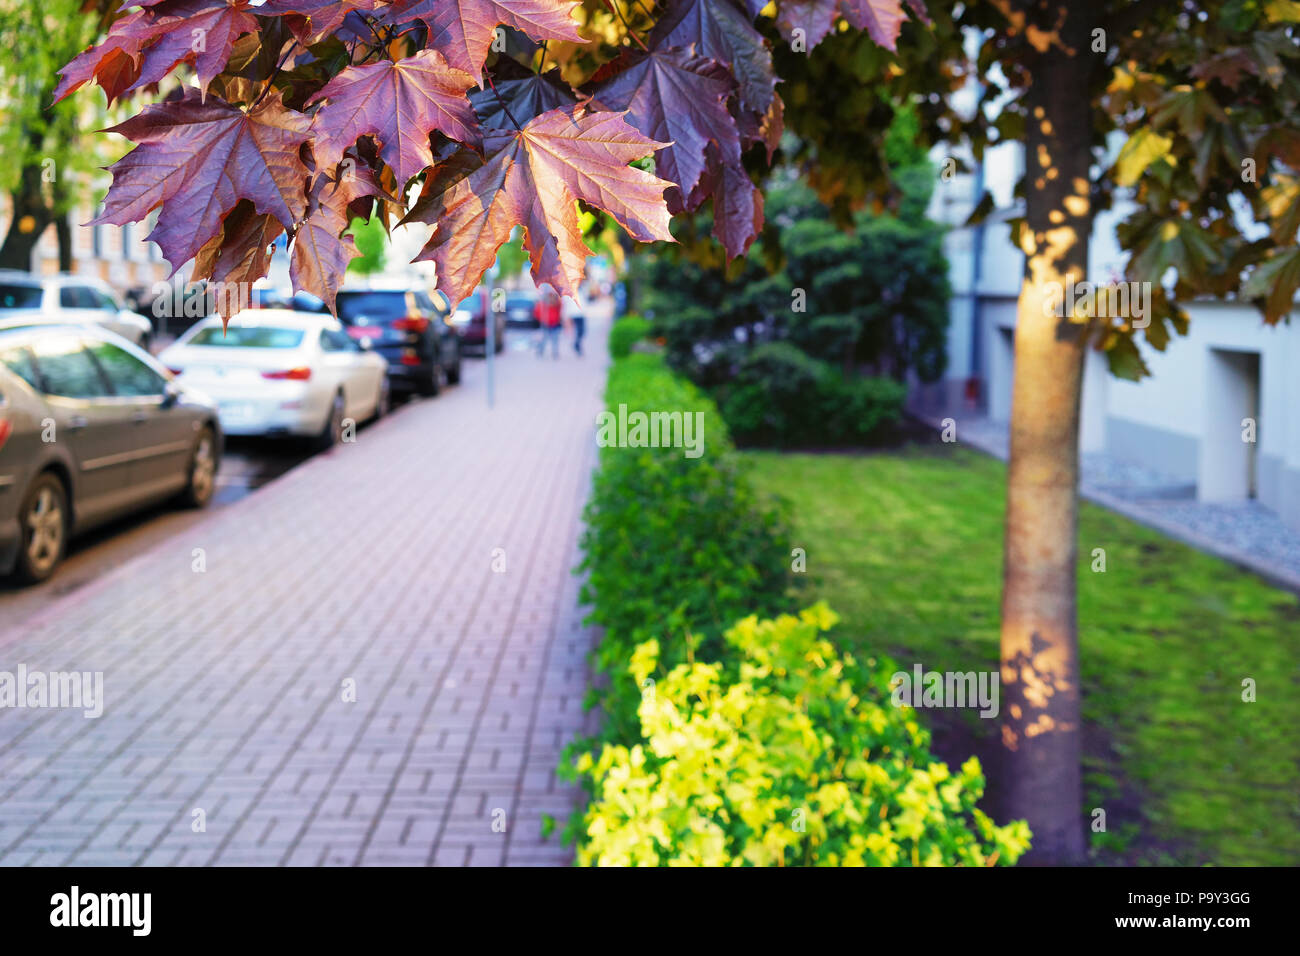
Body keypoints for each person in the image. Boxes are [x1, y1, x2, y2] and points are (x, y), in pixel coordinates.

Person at [536, 284, 562, 359]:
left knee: (554, 339)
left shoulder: (557, 303)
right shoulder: (543, 304)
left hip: (554, 324)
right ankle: (541, 351)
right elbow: (538, 312)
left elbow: (560, 310)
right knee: (544, 339)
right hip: (546, 324)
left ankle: (555, 353)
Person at [563, 284, 588, 356]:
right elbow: (566, 304)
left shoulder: (582, 291)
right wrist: (566, 317)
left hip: (581, 313)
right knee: (577, 330)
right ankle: (576, 345)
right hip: (573, 314)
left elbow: (584, 302)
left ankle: (576, 344)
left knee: (582, 331)